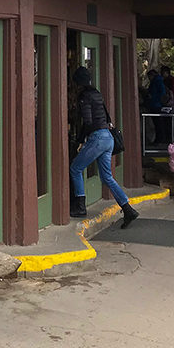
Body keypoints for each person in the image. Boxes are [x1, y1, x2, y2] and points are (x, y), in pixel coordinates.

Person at [69, 66, 139, 228]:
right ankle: (127, 209)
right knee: (107, 177)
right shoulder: (97, 93)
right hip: (108, 138)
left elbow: (87, 122)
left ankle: (80, 206)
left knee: (75, 168)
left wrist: (80, 140)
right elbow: (106, 116)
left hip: (97, 138)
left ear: (78, 82)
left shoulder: (84, 96)